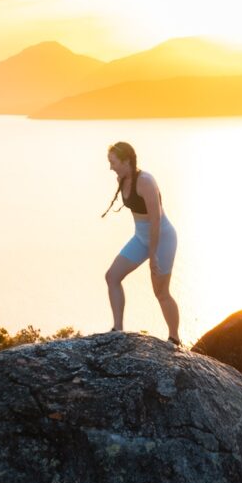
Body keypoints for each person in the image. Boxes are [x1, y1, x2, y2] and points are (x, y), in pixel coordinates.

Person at [102, 142, 181, 345]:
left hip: (162, 239)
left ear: (126, 161)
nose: (110, 167)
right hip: (141, 238)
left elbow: (155, 219)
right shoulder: (122, 177)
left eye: (113, 162)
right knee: (112, 276)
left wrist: (153, 254)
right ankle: (117, 329)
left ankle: (174, 338)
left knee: (161, 292)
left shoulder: (145, 181)